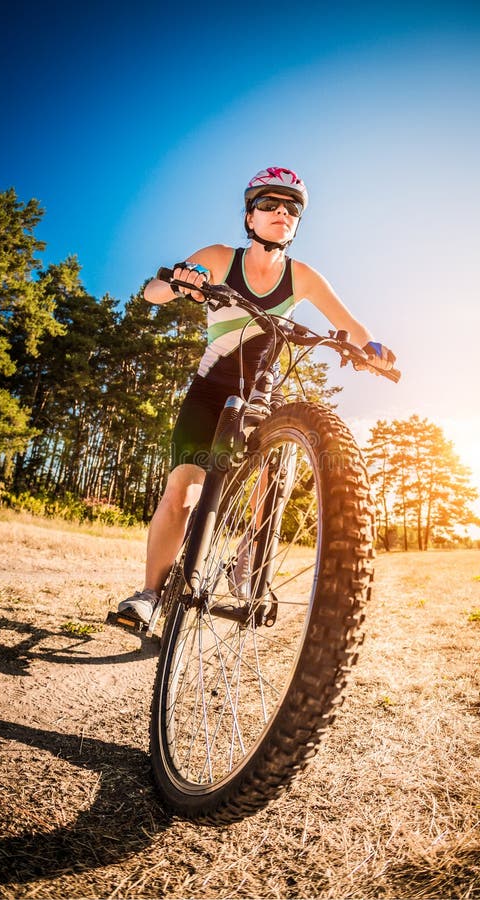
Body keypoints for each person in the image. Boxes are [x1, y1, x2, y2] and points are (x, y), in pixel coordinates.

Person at [118, 166, 396, 625]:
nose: (281, 213)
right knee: (183, 492)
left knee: (274, 475)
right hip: (210, 392)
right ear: (250, 218)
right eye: (269, 205)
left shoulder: (303, 276)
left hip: (261, 395)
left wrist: (372, 351)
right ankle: (149, 594)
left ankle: (248, 556)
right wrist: (179, 282)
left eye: (291, 208)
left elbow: (353, 328)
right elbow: (152, 292)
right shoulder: (219, 257)